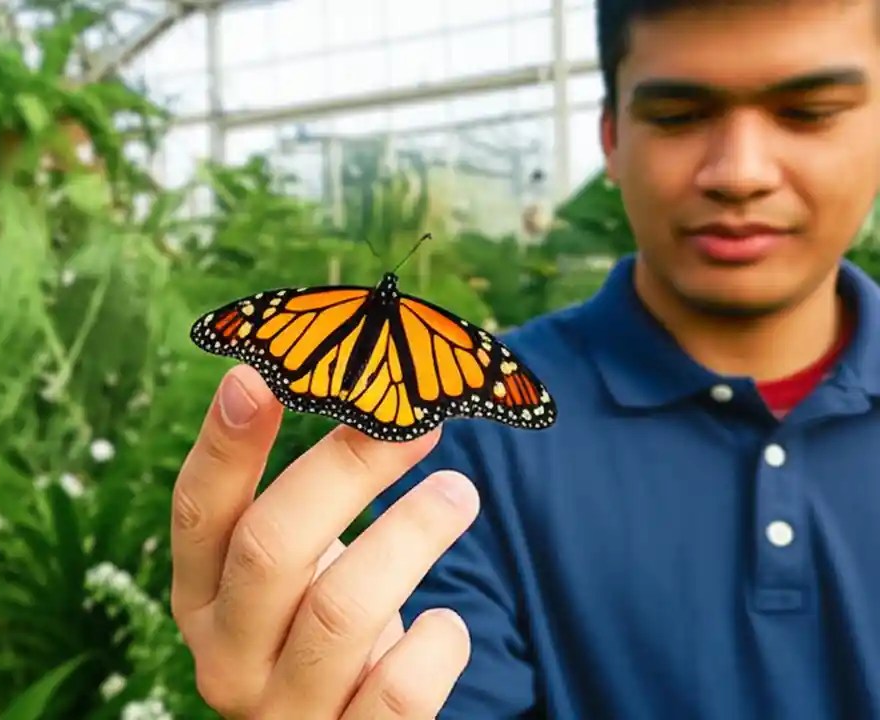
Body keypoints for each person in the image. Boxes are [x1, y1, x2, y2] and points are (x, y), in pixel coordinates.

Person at [168, 0, 880, 716]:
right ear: (610, 137)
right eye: (676, 116)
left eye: (810, 111)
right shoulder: (468, 446)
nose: (741, 173)